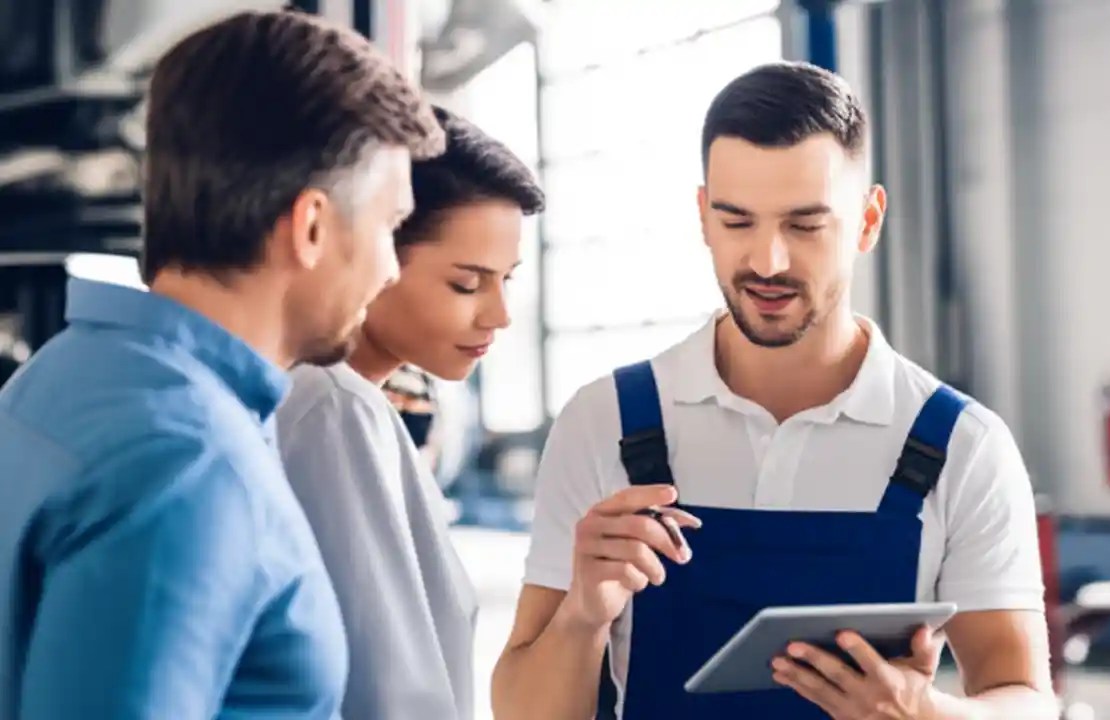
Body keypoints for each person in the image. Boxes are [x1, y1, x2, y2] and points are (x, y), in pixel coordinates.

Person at [492, 62, 1056, 720]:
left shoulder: (962, 446)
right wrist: (582, 617)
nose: (768, 262)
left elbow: (1027, 701)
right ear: (703, 216)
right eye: (737, 223)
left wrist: (929, 715)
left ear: (868, 220)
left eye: (804, 226)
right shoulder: (604, 421)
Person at [0, 11, 439, 719]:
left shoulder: (62, 377)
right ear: (313, 227)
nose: (392, 269)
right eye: (392, 227)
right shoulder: (188, 464)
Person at [275, 106, 544, 720]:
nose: (499, 314)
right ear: (375, 246)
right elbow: (388, 694)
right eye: (466, 284)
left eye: (506, 279)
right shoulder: (333, 409)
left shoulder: (350, 405)